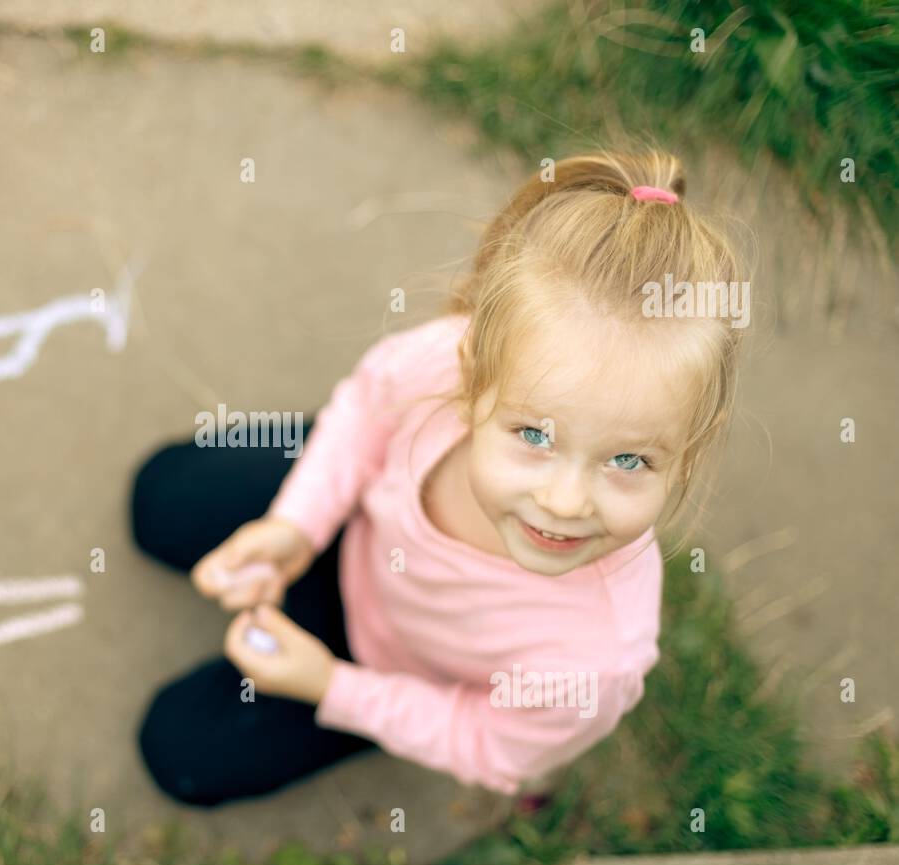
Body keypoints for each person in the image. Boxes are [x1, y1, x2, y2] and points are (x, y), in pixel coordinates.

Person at [131, 150, 746, 808]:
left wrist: (333, 688)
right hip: (352, 523)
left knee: (180, 753)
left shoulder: (593, 659)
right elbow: (368, 406)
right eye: (534, 435)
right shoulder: (447, 365)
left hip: (380, 661)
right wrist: (297, 525)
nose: (564, 502)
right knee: (158, 500)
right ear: (474, 381)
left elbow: (483, 740)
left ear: (688, 453)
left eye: (628, 460)